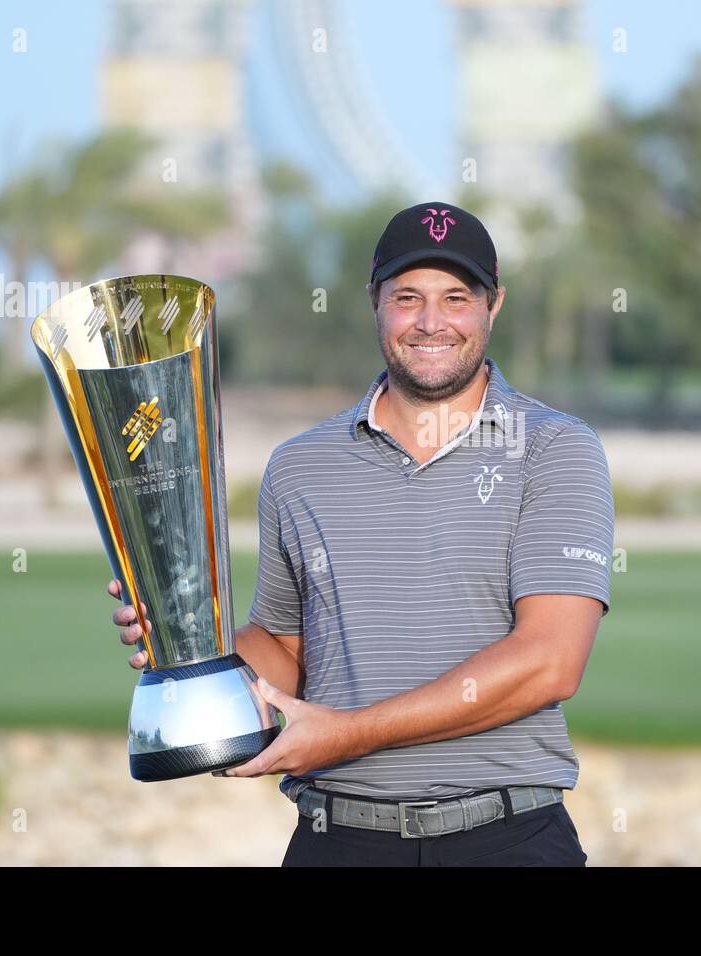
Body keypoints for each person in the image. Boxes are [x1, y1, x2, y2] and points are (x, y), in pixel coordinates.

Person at [109, 200, 615, 865]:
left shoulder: (556, 450)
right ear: (374, 302)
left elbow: (549, 662)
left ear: (493, 306)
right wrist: (188, 644)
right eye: (407, 297)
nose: (431, 322)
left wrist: (345, 734)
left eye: (455, 297)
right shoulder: (300, 465)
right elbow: (286, 650)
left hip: (507, 839)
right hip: (336, 840)